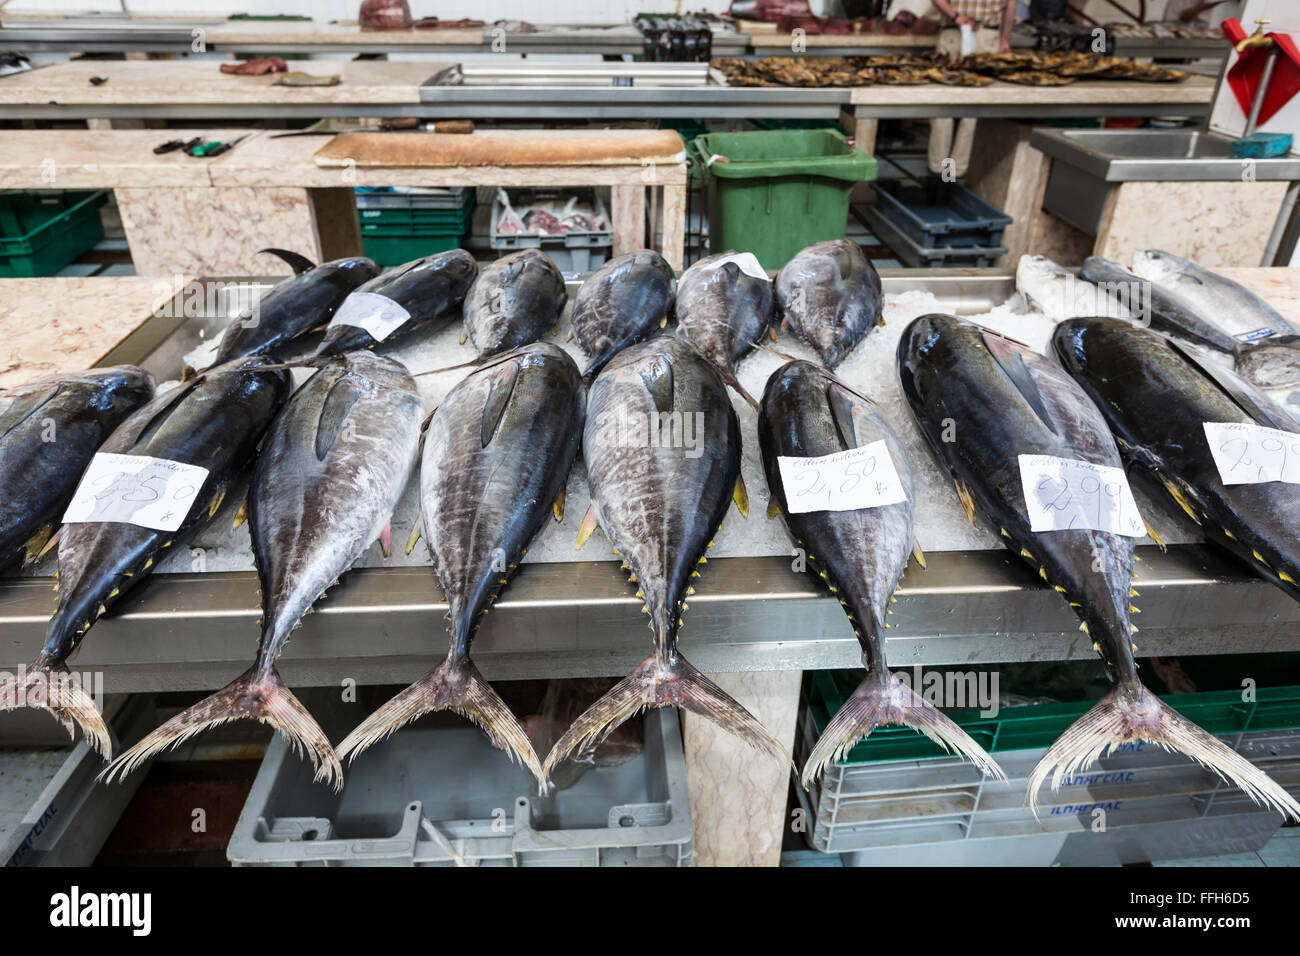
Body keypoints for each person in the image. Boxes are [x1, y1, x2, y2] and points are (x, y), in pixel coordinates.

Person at [931, 0, 1018, 54]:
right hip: (987, 36)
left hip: (952, 33)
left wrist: (955, 17)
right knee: (986, 79)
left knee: (946, 78)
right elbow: (1011, 3)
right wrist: (1005, 41)